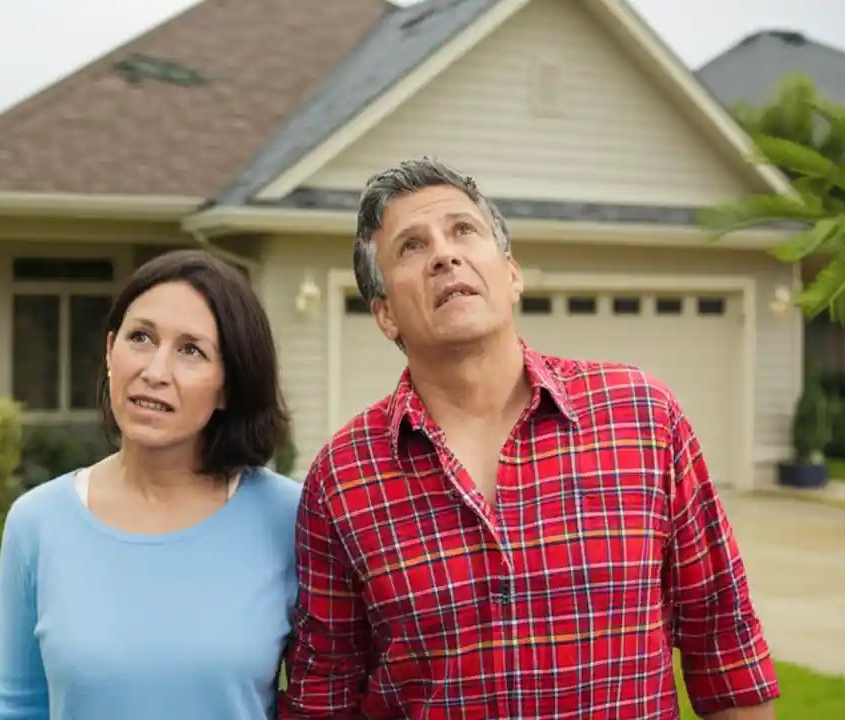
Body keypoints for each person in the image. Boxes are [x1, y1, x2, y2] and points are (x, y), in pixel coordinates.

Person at [280, 157, 779, 719]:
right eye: (411, 247)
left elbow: (725, 646)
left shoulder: (643, 417)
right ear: (385, 314)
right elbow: (324, 695)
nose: (445, 254)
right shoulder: (342, 479)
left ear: (511, 274)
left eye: (463, 230)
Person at [0, 249, 302, 720]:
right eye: (141, 338)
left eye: (191, 350)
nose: (155, 372)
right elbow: (19, 708)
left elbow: (325, 699)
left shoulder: (291, 518)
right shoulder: (37, 522)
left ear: (228, 386)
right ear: (110, 350)